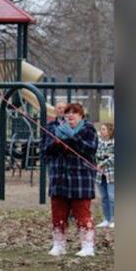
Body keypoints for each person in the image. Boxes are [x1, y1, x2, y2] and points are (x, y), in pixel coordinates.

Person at [40, 102, 99, 257]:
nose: (70, 115)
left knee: (82, 213)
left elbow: (90, 149)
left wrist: (71, 139)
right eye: (67, 113)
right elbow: (45, 151)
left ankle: (88, 246)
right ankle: (58, 245)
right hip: (58, 177)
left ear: (81, 115)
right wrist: (56, 145)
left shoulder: (88, 129)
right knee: (58, 214)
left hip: (81, 179)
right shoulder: (52, 128)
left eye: (74, 113)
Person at [94, 120, 114, 228]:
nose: (101, 131)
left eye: (103, 129)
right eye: (101, 129)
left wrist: (103, 162)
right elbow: (97, 154)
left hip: (111, 174)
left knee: (112, 197)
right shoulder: (100, 142)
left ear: (109, 131)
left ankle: (114, 220)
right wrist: (105, 156)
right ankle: (106, 219)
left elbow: (113, 158)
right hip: (100, 174)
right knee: (104, 198)